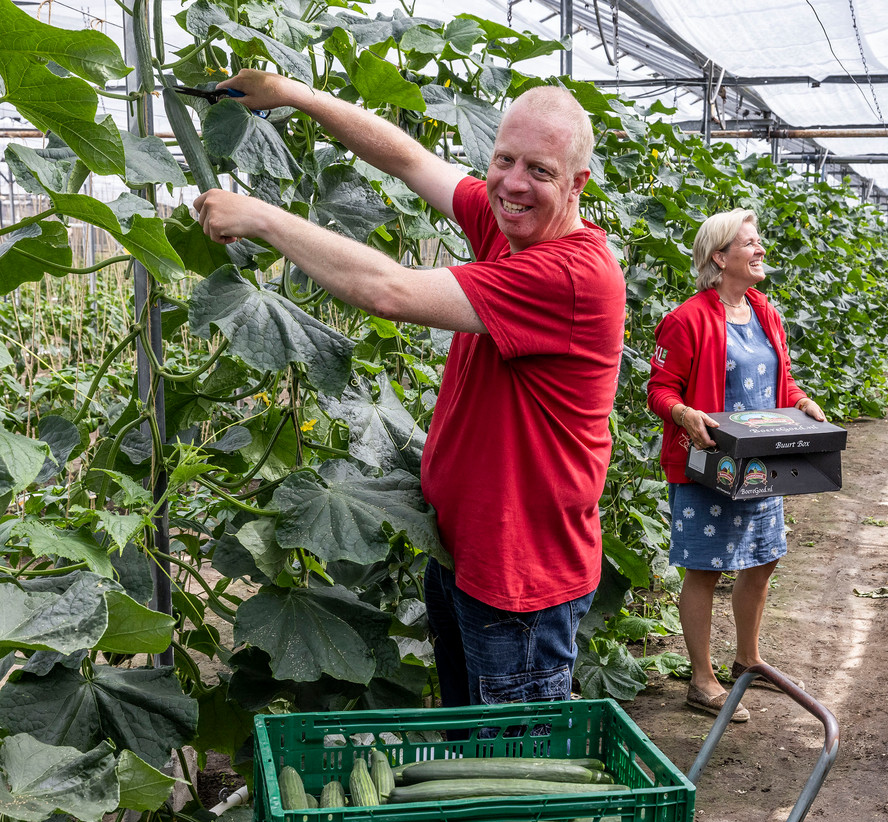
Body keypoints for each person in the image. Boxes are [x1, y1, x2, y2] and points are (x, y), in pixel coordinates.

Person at [193, 72, 626, 708]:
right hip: (462, 554)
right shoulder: (510, 226)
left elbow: (388, 292)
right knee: (469, 748)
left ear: (576, 184)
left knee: (509, 780)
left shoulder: (571, 275)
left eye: (539, 169)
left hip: (519, 583)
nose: (510, 182)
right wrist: (298, 94)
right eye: (503, 159)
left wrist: (261, 218)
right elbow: (411, 159)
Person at [647, 209, 824, 723]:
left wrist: (804, 402)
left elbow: (781, 384)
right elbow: (659, 389)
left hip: (760, 460)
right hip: (709, 462)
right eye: (750, 243)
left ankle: (748, 658)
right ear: (721, 258)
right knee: (703, 569)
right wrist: (682, 412)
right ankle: (701, 680)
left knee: (763, 557)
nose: (761, 249)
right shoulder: (687, 319)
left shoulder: (765, 311)